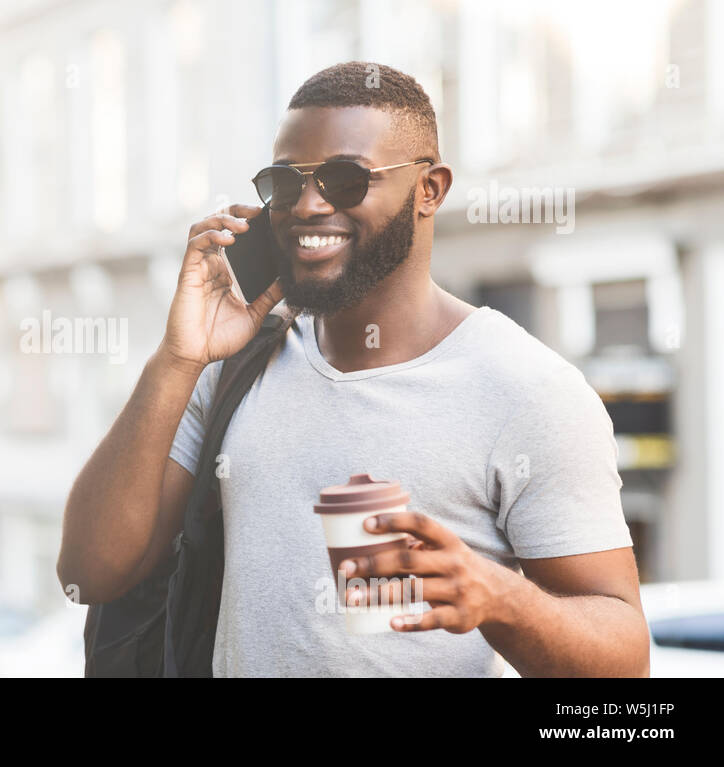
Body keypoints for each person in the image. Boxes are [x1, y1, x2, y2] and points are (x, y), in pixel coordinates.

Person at [56, 61, 648, 677]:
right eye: (285, 183)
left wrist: (497, 598)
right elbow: (88, 571)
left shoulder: (527, 392)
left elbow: (624, 664)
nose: (308, 206)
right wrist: (178, 357)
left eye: (345, 179)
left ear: (430, 189)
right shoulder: (235, 364)